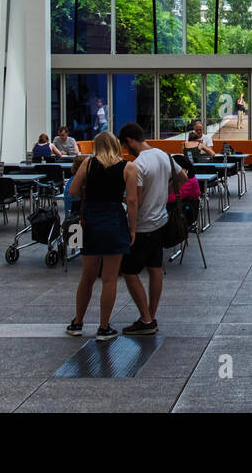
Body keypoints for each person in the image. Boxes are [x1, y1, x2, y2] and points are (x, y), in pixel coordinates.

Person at [66, 132, 139, 341]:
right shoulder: (128, 167)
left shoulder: (87, 164)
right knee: (109, 279)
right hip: (114, 220)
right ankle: (104, 327)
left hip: (90, 220)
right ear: (116, 145)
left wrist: (88, 195)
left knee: (87, 277)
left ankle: (77, 322)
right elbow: (132, 202)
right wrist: (132, 228)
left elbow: (72, 190)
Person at [118, 123, 186, 336]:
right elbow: (183, 176)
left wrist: (131, 226)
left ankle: (146, 319)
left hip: (144, 225)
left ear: (129, 141)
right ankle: (151, 315)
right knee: (155, 268)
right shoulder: (163, 154)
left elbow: (134, 201)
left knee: (129, 272)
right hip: (162, 221)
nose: (125, 150)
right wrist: (164, 193)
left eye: (125, 145)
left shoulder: (137, 165)